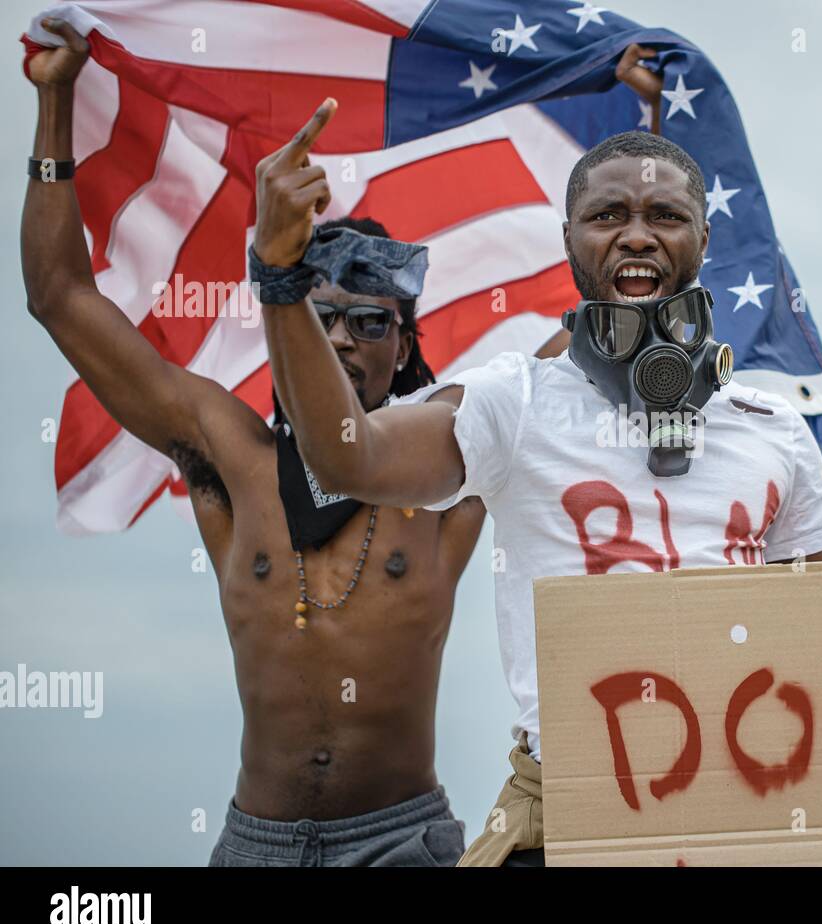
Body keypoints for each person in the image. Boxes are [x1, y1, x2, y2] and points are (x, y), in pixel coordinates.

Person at [255, 96, 822, 866]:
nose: (637, 233)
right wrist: (282, 276)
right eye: (608, 215)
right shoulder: (509, 402)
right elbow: (346, 458)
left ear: (704, 240)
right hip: (571, 824)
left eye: (666, 214)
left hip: (747, 818)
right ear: (570, 242)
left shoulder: (773, 427)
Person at [21, 18, 514, 867]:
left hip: (401, 843)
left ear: (404, 346)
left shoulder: (456, 461)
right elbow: (59, 294)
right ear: (285, 326)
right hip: (258, 845)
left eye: (371, 322)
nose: (347, 341)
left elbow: (594, 337)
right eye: (322, 319)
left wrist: (655, 141)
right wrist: (56, 101)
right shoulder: (231, 454)